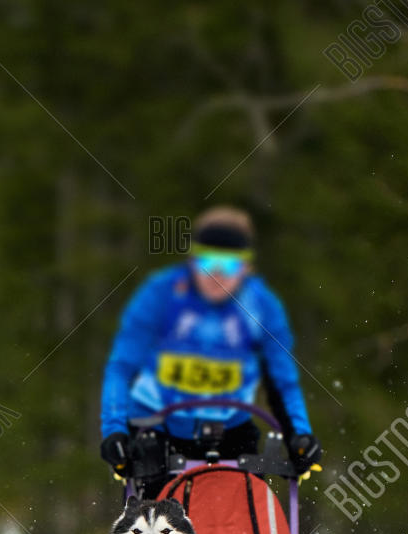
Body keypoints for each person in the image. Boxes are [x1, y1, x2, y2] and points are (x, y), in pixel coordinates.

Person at [98, 206, 322, 495]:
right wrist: (115, 432)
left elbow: (282, 382)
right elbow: (122, 368)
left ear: (246, 267)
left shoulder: (262, 307)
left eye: (229, 266)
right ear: (192, 261)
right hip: (155, 427)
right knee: (156, 519)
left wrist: (299, 436)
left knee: (243, 516)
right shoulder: (160, 295)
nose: (216, 275)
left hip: (230, 431)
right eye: (207, 262)